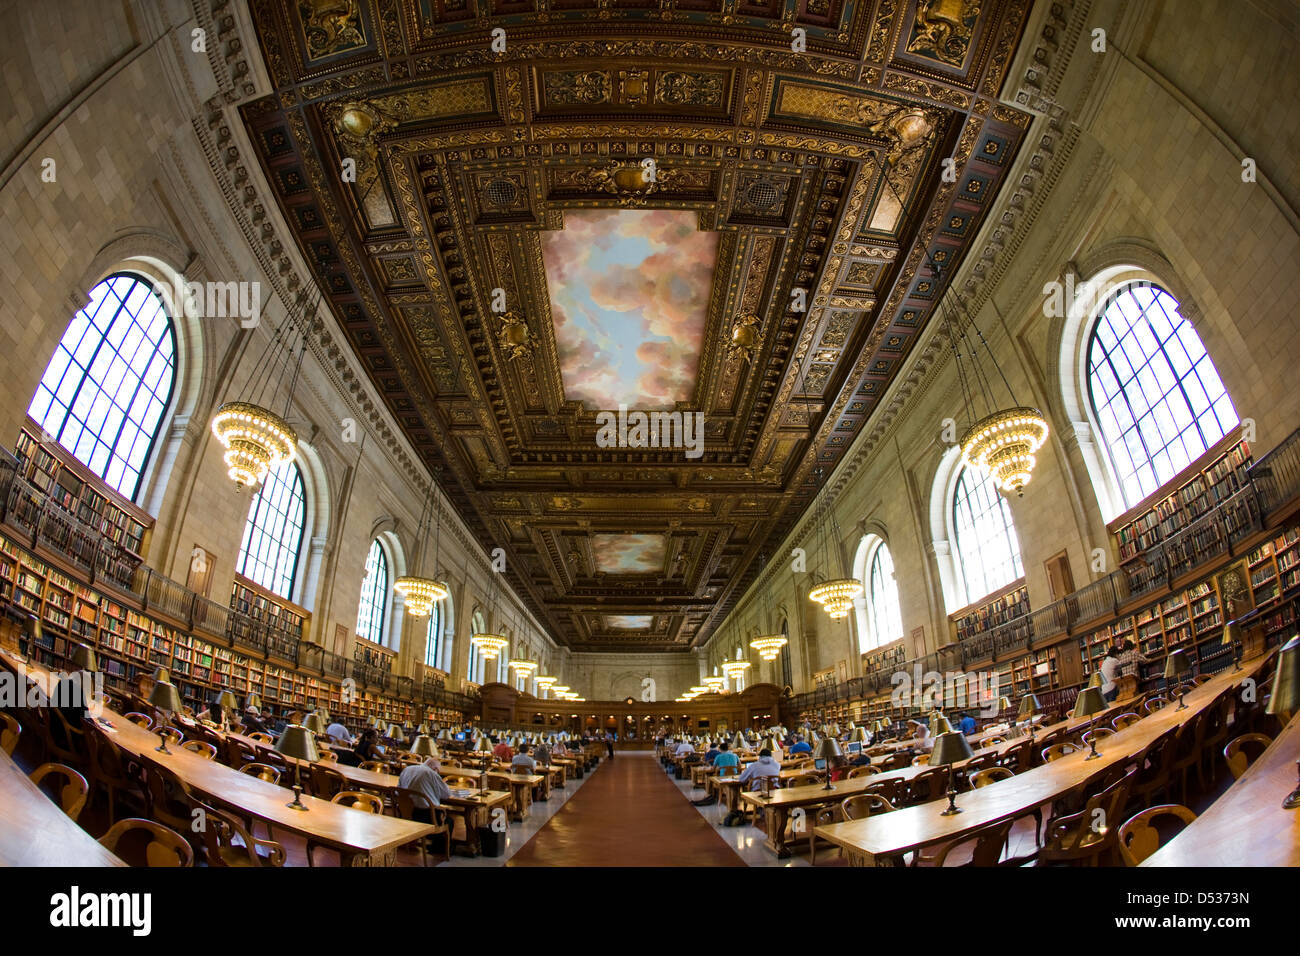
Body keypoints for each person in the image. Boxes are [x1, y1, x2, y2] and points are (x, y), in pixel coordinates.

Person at [398, 756, 451, 823]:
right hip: (425, 815)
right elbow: (446, 794)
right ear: (435, 769)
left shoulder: (407, 769)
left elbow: (398, 790)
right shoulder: (431, 773)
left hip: (404, 811)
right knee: (450, 821)